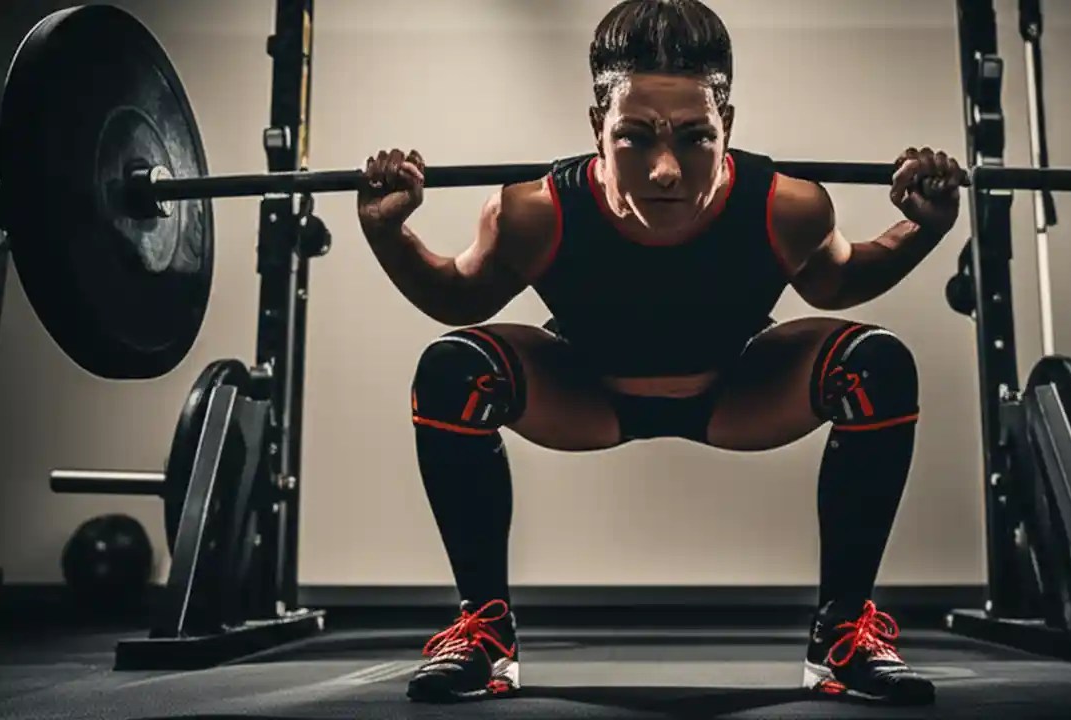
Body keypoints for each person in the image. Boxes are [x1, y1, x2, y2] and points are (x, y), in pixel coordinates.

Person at [357, 0, 966, 707]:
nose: (667, 170)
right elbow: (458, 297)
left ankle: (843, 636)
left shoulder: (788, 207)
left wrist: (922, 230)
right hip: (587, 394)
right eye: (635, 137)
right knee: (453, 368)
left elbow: (841, 281)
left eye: (695, 137)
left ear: (727, 124)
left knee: (876, 363)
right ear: (597, 126)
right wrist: (388, 235)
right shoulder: (534, 212)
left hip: (736, 391)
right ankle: (484, 633)